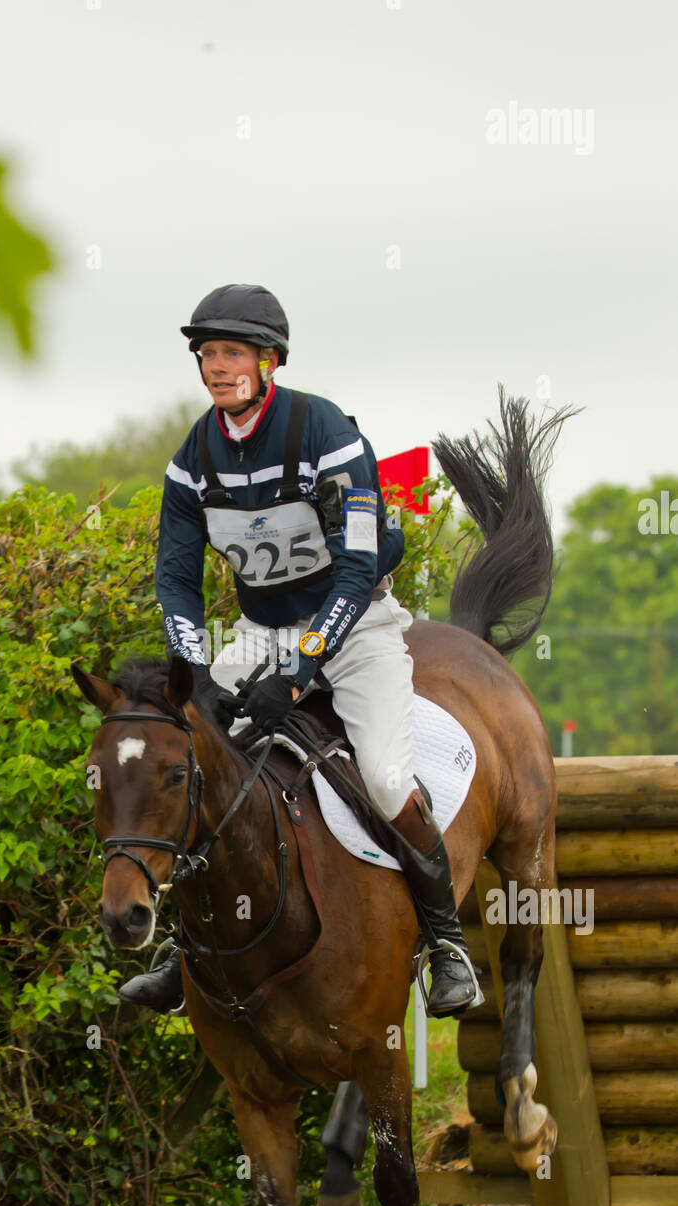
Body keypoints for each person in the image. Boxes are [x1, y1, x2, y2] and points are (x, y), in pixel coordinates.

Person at [118, 284, 478, 1018]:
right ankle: (182, 951)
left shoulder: (326, 435)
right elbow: (176, 580)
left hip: (355, 627)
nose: (216, 367)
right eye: (206, 354)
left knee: (381, 777)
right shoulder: (193, 460)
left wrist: (304, 665)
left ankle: (447, 945)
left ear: (269, 361)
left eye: (231, 352)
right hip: (255, 634)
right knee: (194, 763)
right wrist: (192, 678)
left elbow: (355, 565)